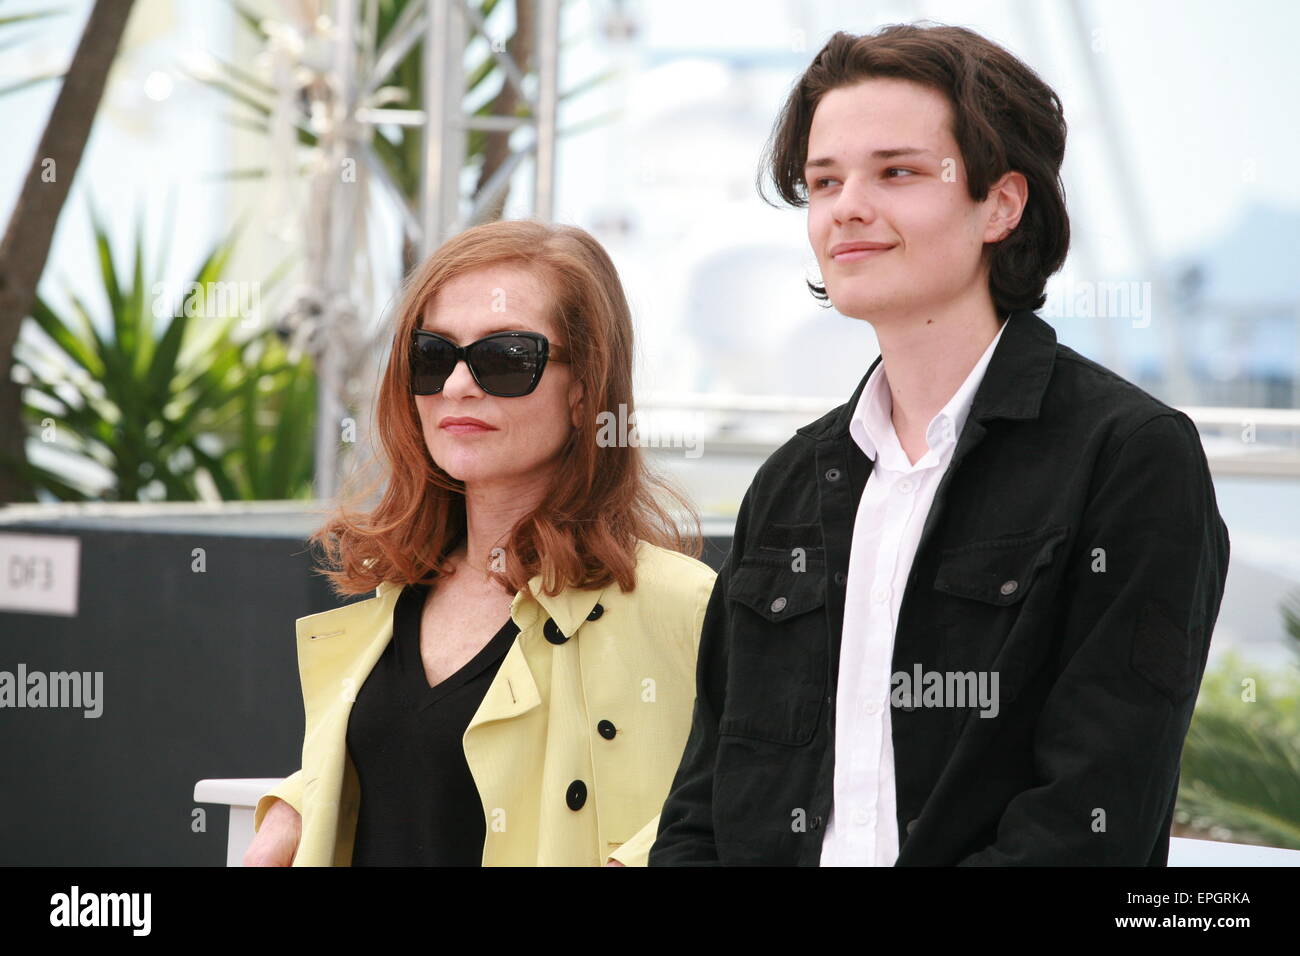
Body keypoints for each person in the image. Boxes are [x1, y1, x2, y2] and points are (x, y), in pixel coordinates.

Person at [650, 23, 1230, 865]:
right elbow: (702, 806)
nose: (847, 206)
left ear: (1002, 204)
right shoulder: (789, 483)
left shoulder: (1128, 459)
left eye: (898, 172)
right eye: (824, 180)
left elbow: (1089, 819)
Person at [246, 219, 715, 866]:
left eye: (506, 358)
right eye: (432, 355)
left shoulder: (680, 606)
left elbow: (741, 804)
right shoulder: (401, 590)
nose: (456, 386)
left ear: (584, 391)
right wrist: (295, 808)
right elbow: (415, 778)